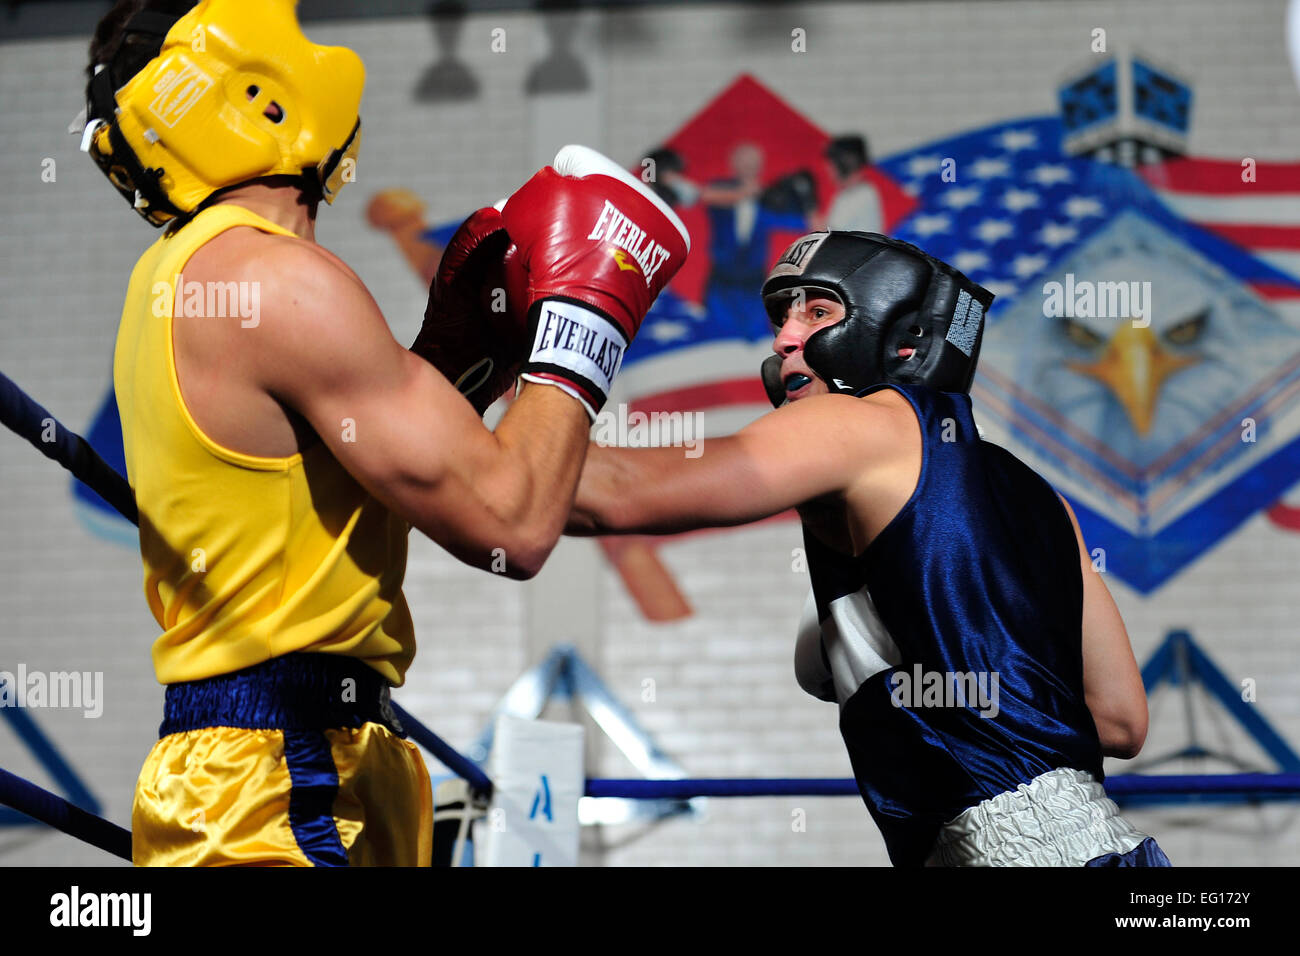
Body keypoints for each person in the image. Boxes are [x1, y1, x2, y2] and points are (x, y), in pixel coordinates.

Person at [83, 0, 688, 865]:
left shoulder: (196, 272)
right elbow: (512, 524)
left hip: (295, 756)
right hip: (283, 773)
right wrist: (585, 322)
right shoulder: (274, 280)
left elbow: (341, 484)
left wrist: (457, 365)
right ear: (257, 91)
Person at [567, 230, 1171, 867]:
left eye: (818, 312)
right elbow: (1121, 721)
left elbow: (611, 494)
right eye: (782, 316)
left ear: (901, 337)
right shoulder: (1041, 497)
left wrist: (565, 346)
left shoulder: (861, 425)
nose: (783, 340)